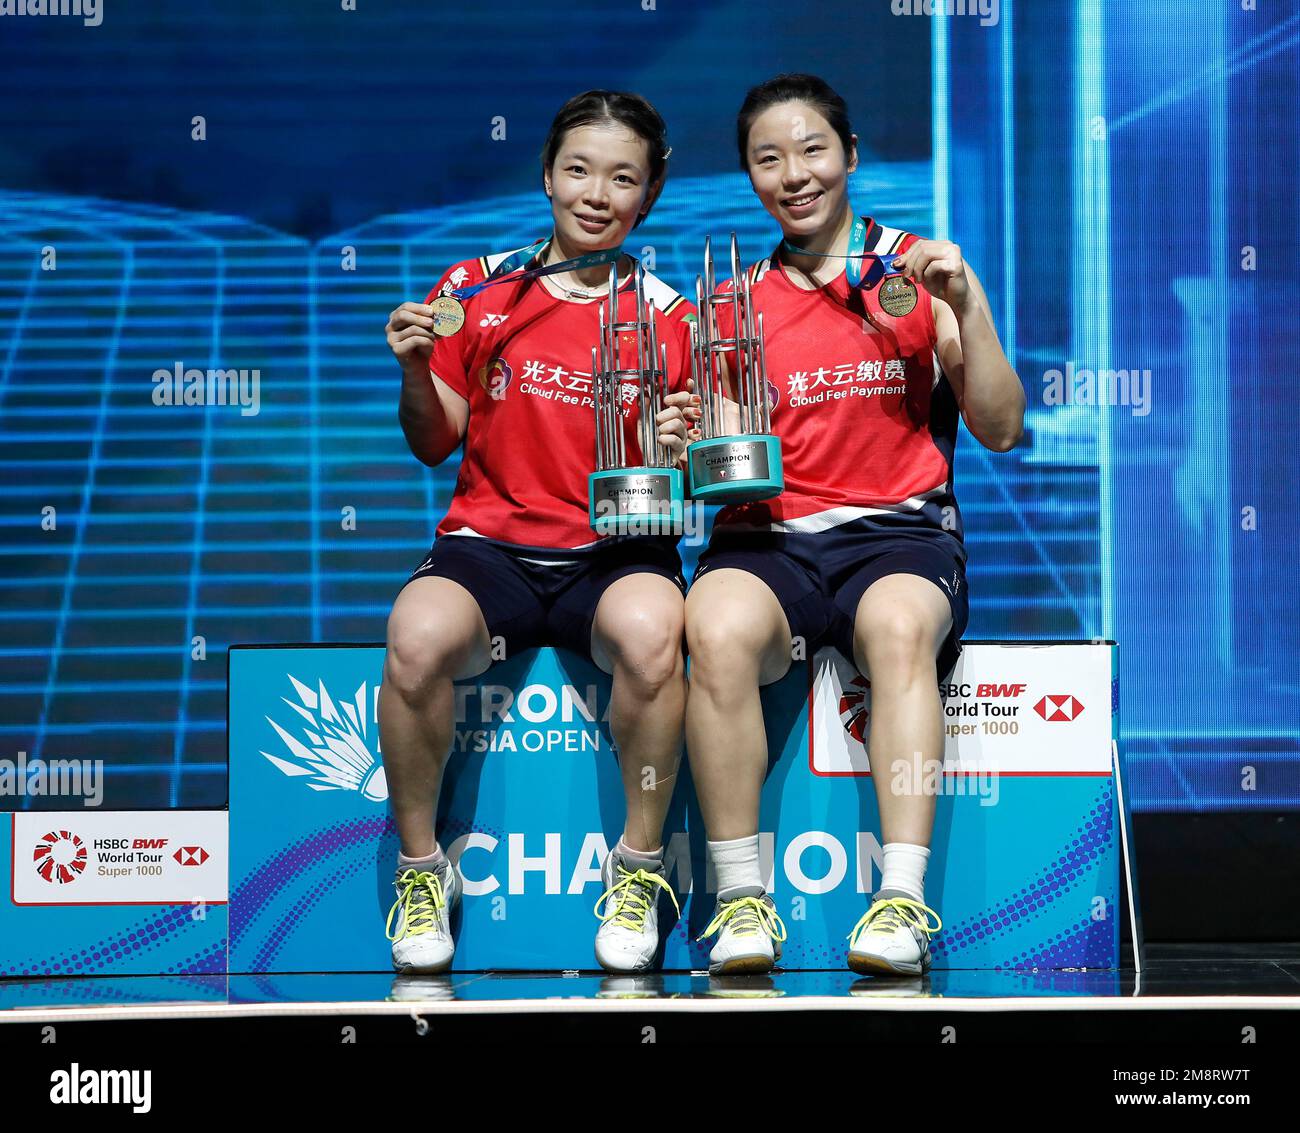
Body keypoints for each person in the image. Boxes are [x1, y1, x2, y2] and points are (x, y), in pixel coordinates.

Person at [686, 74, 1025, 976]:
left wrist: (971, 307)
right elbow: (721, 475)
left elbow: (1000, 426)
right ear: (749, 177)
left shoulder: (921, 272)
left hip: (899, 536)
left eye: (811, 150)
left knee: (898, 625)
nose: (793, 174)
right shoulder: (730, 302)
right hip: (768, 541)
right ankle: (741, 898)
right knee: (712, 628)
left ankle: (902, 897)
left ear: (850, 157)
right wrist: (695, 440)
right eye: (768, 159)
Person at [380, 90, 698, 974]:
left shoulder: (675, 315)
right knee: (414, 638)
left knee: (652, 632)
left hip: (618, 550)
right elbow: (432, 440)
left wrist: (684, 445)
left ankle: (637, 869)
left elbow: (697, 475)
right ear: (547, 176)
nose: (597, 194)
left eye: (623, 177)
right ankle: (421, 870)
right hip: (490, 549)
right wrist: (415, 369)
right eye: (578, 170)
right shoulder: (474, 292)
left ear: (651, 194)